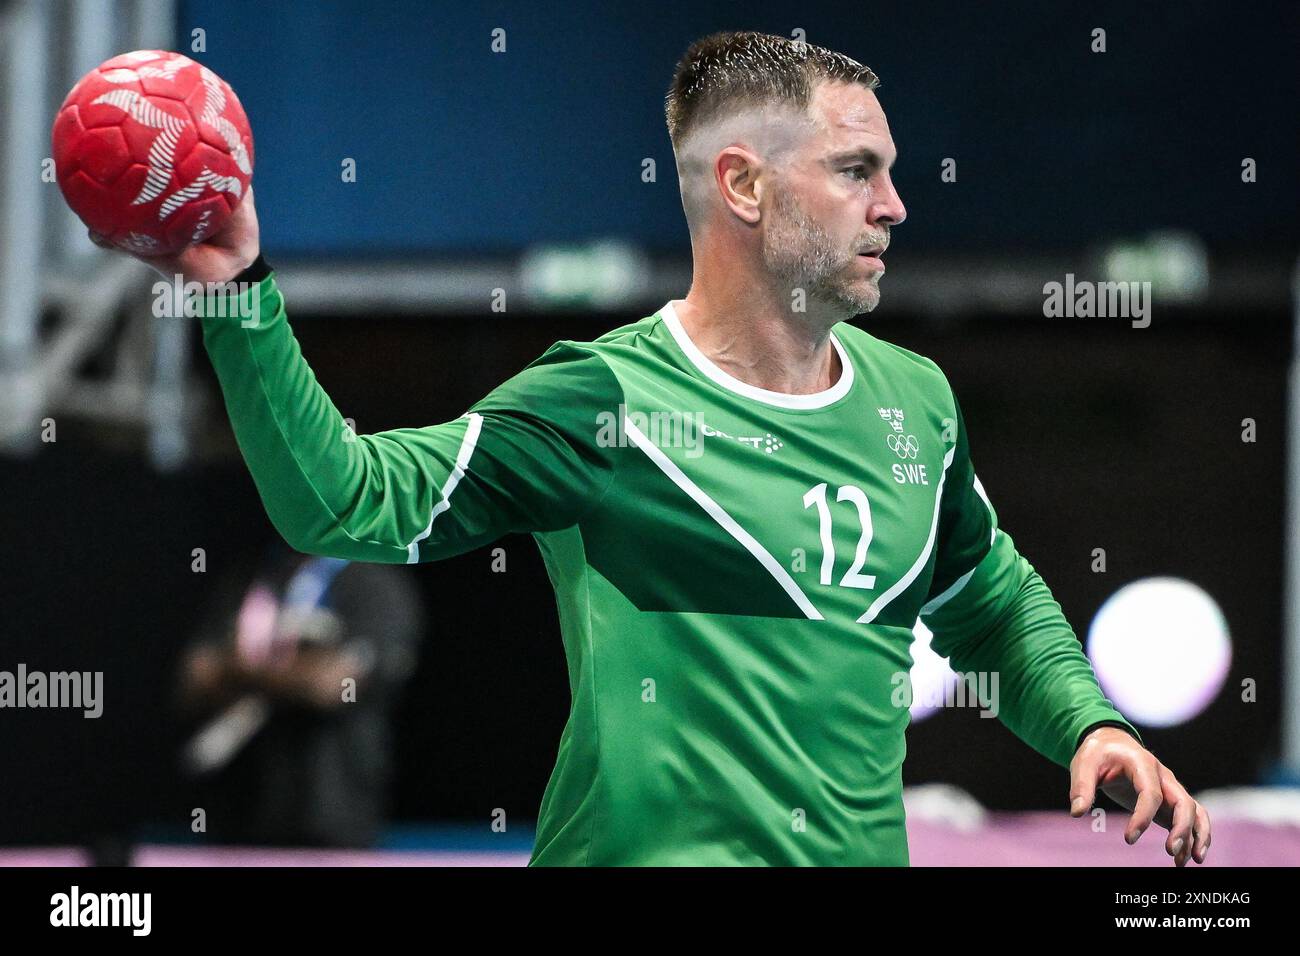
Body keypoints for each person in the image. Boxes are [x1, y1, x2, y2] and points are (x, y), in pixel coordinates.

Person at [95, 31, 1209, 866]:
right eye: (857, 170)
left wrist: (1089, 719)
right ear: (743, 184)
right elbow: (347, 504)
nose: (897, 206)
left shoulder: (915, 402)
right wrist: (239, 294)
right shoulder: (604, 397)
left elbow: (991, 602)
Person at [176, 544, 421, 847]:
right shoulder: (249, 579)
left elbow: (328, 686)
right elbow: (195, 680)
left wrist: (244, 667)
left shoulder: (373, 584)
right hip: (239, 816)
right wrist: (295, 669)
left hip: (332, 818)